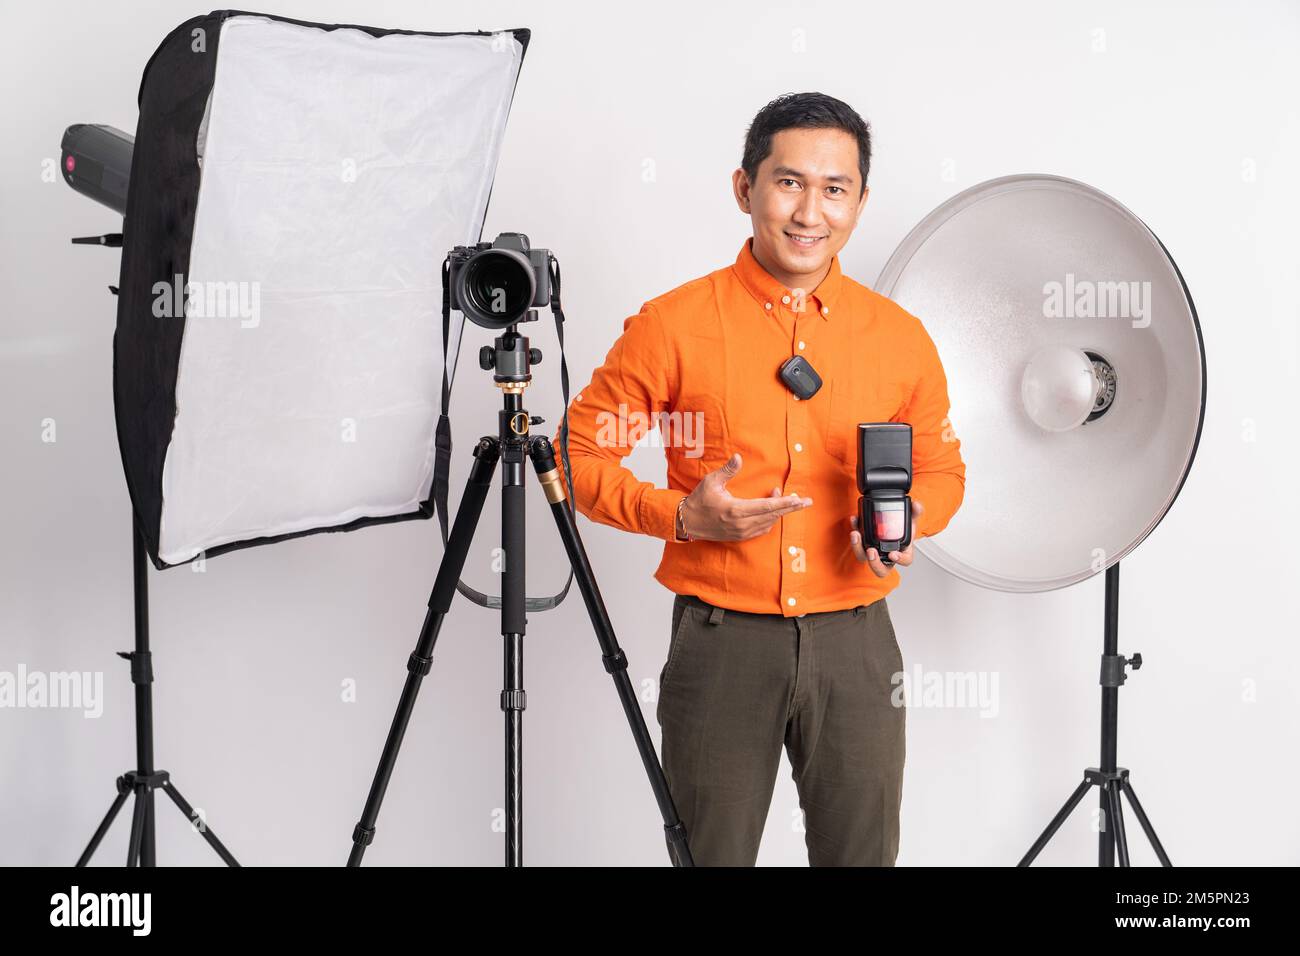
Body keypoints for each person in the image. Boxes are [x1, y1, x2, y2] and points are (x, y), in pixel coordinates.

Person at [553, 92, 965, 866]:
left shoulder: (901, 340)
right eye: (789, 183)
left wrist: (910, 514)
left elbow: (942, 468)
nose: (811, 211)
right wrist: (680, 517)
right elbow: (575, 456)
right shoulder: (671, 325)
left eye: (835, 189)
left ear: (860, 202)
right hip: (720, 645)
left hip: (857, 646)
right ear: (745, 188)